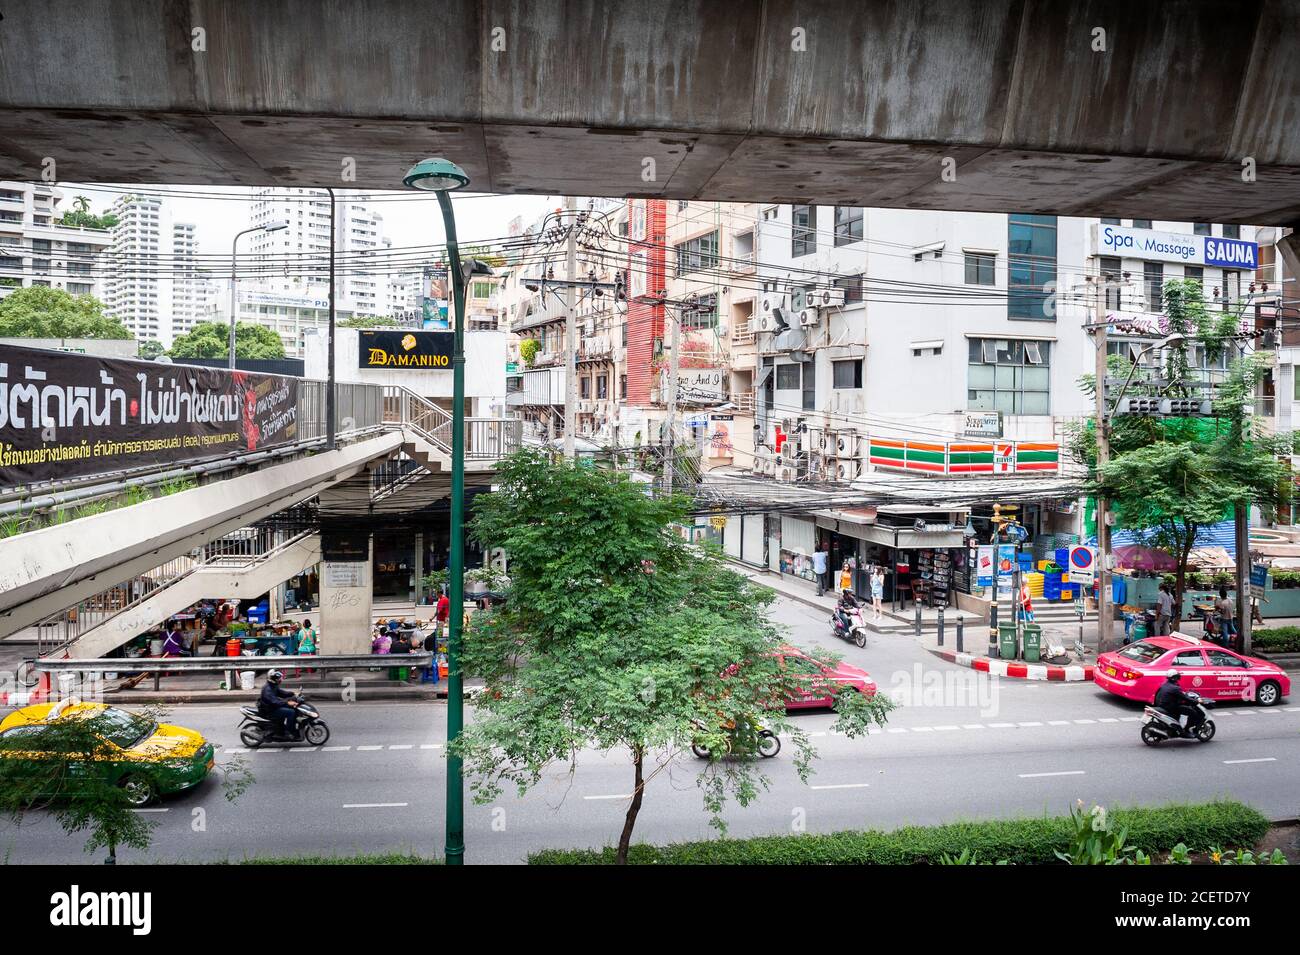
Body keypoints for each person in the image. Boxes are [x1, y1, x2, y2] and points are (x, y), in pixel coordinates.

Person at [1152, 670, 1204, 735]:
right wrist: (1196, 701)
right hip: (1171, 707)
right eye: (1177, 676)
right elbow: (1185, 698)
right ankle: (1186, 729)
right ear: (1175, 677)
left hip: (1163, 705)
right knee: (1192, 712)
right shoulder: (1175, 688)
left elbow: (1179, 694)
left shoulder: (1165, 684)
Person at [257, 669, 300, 739]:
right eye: (278, 678)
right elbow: (275, 702)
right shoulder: (267, 689)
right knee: (291, 712)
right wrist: (288, 703)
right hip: (269, 710)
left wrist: (293, 694)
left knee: (292, 708)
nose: (280, 680)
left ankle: (282, 729)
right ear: (274, 679)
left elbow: (281, 693)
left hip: (273, 707)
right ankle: (288, 732)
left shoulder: (273, 685)